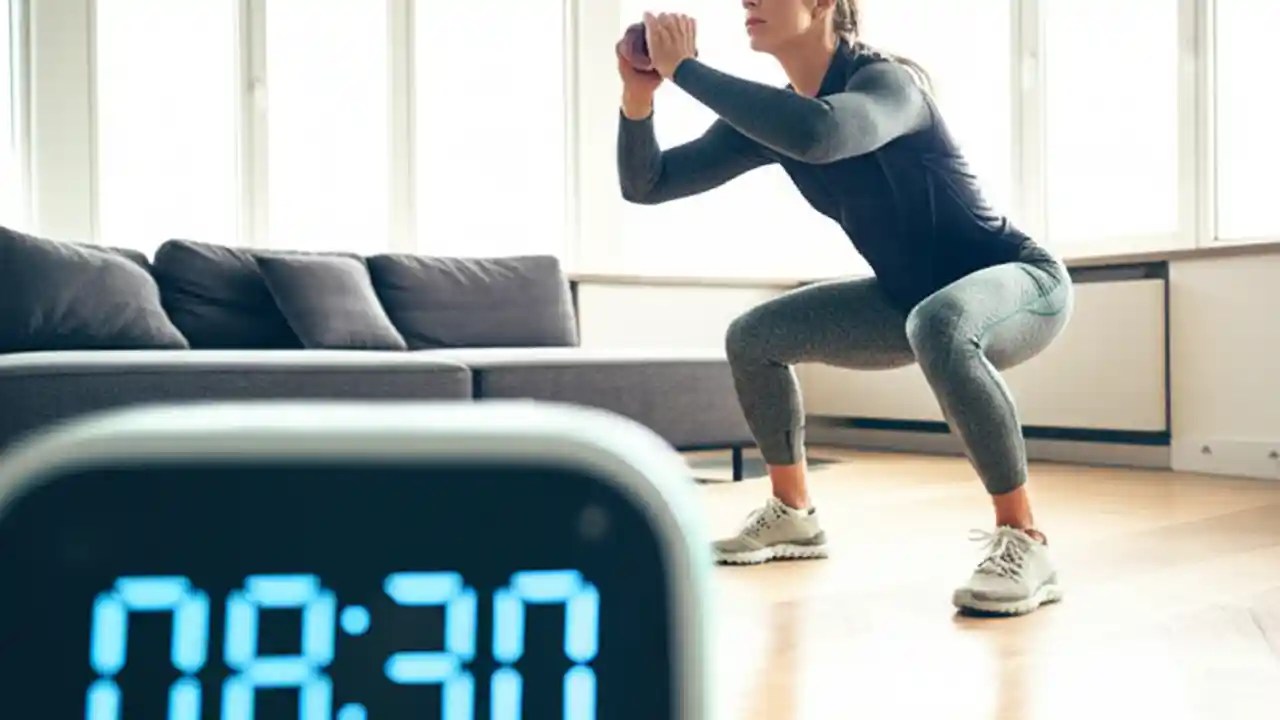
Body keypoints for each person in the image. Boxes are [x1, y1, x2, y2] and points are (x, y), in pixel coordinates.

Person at [615, 0, 1074, 616]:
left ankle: (1024, 537)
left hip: (1017, 280)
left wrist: (688, 71)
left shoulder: (890, 83)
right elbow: (648, 184)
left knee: (938, 323)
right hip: (908, 298)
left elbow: (822, 134)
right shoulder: (771, 117)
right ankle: (793, 514)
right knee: (754, 336)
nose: (746, 0)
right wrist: (639, 97)